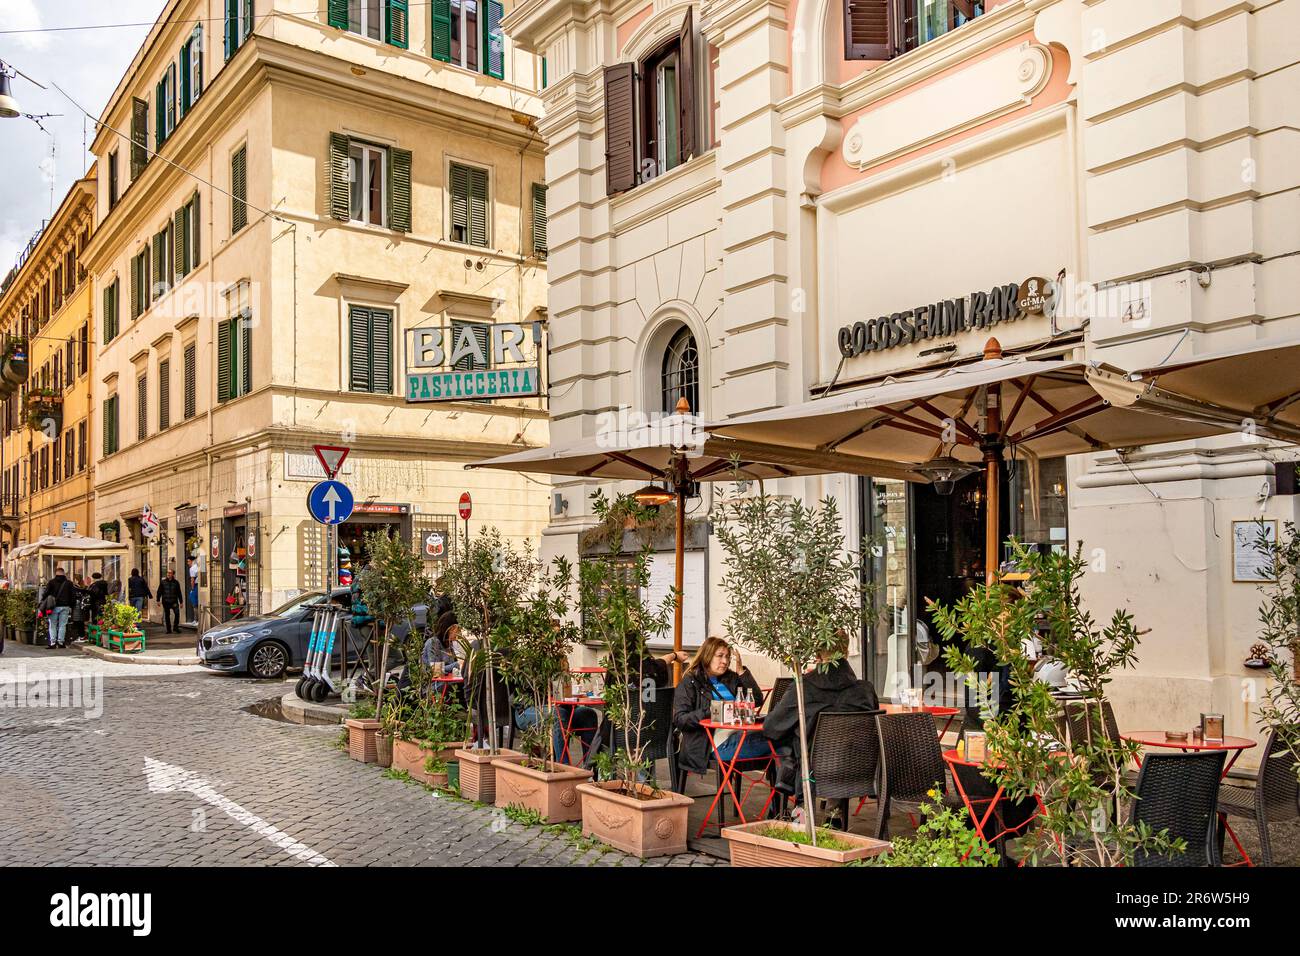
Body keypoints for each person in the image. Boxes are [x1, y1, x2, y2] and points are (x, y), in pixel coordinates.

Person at [762, 630, 879, 823]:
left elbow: (772, 727)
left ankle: (798, 810)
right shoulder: (865, 690)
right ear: (846, 652)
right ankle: (834, 810)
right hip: (857, 770)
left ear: (816, 654)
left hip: (812, 773)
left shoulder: (803, 687)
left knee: (793, 743)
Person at [672, 636, 766, 779]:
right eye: (720, 656)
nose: (725, 661)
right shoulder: (690, 681)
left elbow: (757, 700)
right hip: (711, 745)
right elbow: (680, 720)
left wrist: (741, 672)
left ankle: (787, 789)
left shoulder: (730, 678)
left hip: (739, 735)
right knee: (779, 739)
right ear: (707, 656)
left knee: (780, 741)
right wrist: (713, 711)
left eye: (728, 657)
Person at [41, 566, 77, 649]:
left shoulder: (51, 582)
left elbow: (45, 594)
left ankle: (53, 643)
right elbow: (73, 596)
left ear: (55, 573)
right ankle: (61, 642)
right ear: (63, 573)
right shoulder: (69, 583)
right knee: (62, 625)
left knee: (52, 624)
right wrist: (72, 606)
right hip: (65, 606)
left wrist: (43, 602)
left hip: (53, 607)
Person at [158, 569, 183, 633]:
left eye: (170, 573)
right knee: (167, 615)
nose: (168, 574)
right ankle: (168, 629)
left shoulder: (176, 582)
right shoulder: (163, 582)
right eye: (168, 573)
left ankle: (175, 627)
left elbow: (179, 593)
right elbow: (159, 591)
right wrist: (158, 600)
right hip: (166, 601)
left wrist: (181, 602)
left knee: (177, 614)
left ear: (173, 574)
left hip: (174, 601)